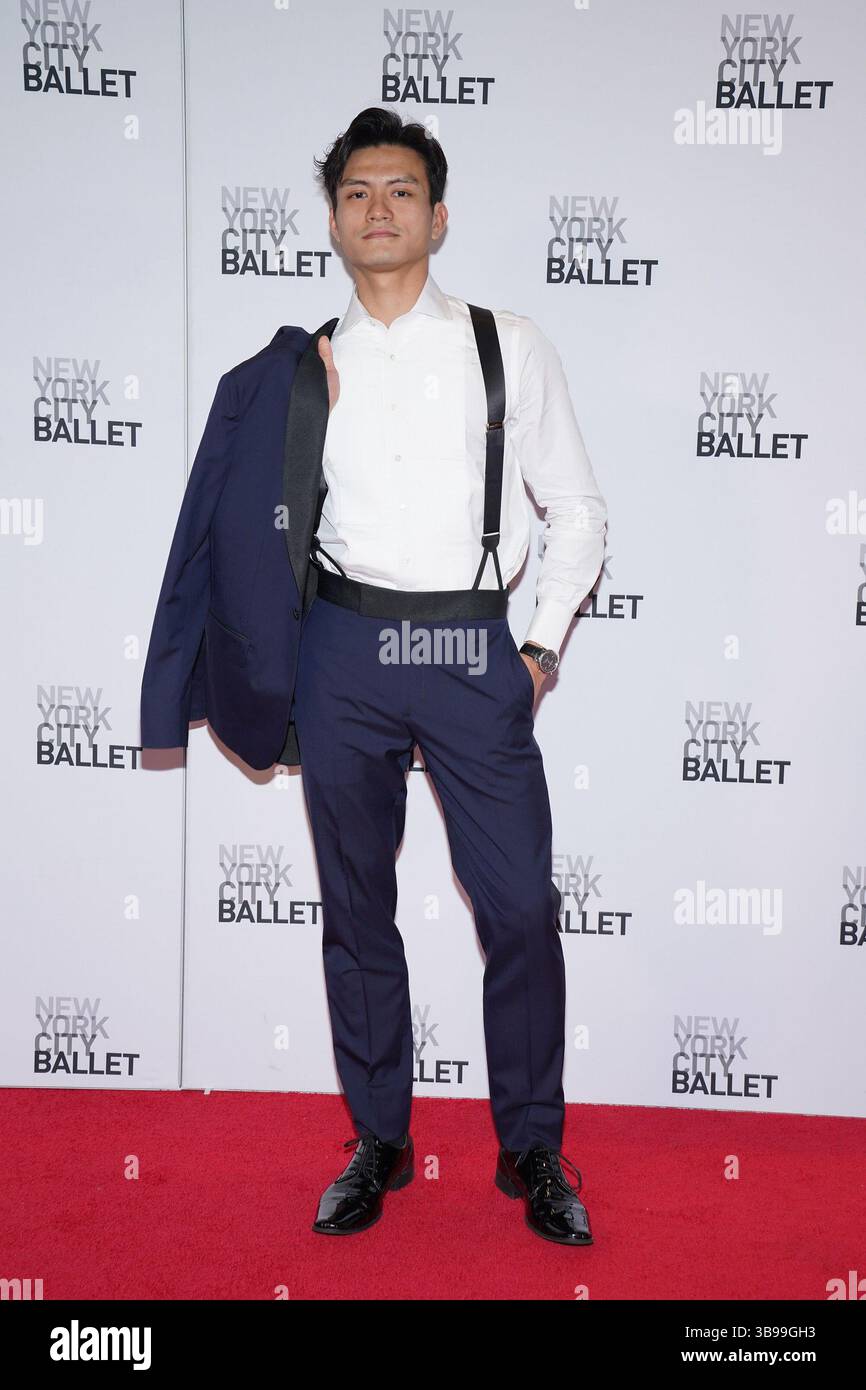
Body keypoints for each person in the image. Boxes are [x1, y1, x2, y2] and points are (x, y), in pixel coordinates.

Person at [295, 107, 608, 1245]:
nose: (376, 210)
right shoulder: (299, 369)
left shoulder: (505, 343)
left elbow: (576, 512)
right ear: (333, 217)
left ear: (437, 215)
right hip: (340, 646)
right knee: (355, 905)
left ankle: (531, 1148)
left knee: (520, 905)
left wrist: (536, 648)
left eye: (398, 191)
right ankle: (379, 1139)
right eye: (355, 192)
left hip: (469, 645)